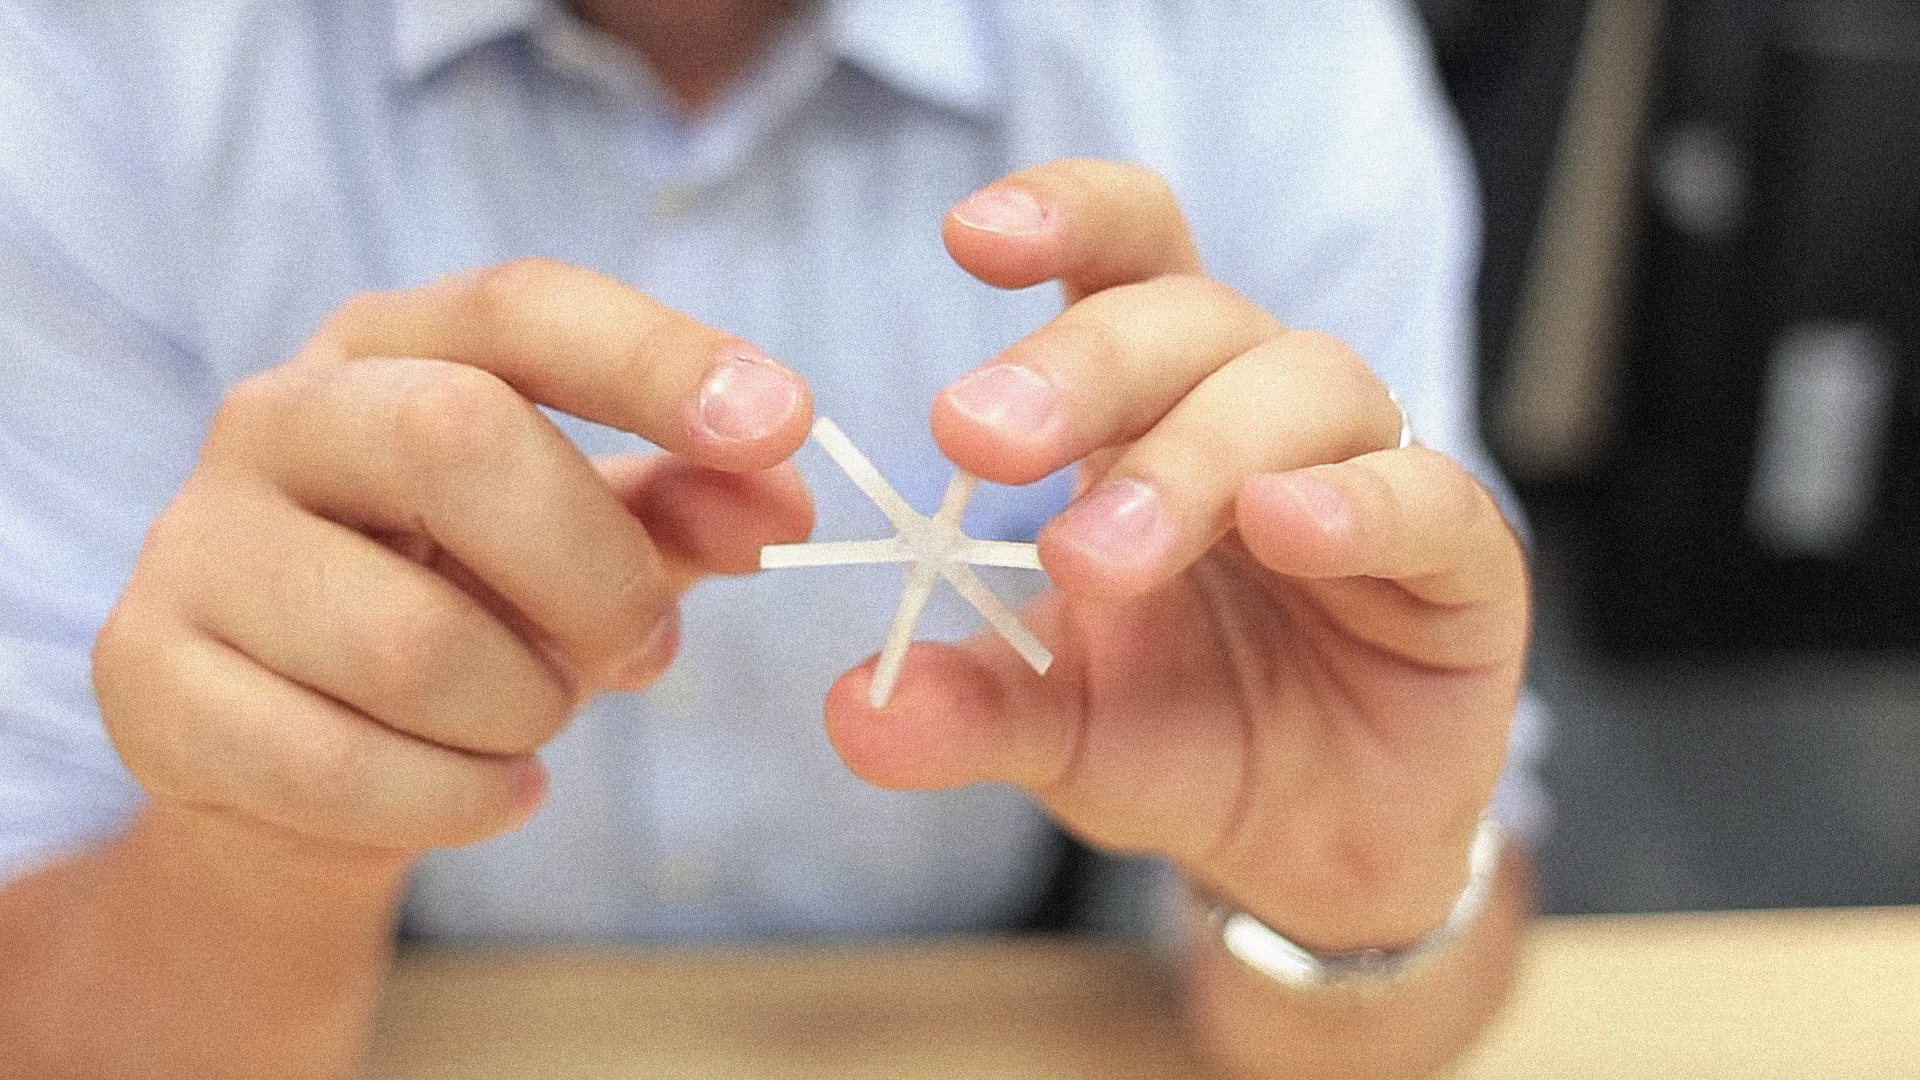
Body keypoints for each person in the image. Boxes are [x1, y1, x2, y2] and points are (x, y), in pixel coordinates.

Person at [0, 0, 1547, 1076]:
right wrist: (261, 838)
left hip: (1017, 1000)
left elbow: (1406, 993)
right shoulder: (96, 69)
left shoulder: (1262, 51)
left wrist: (1340, 891)